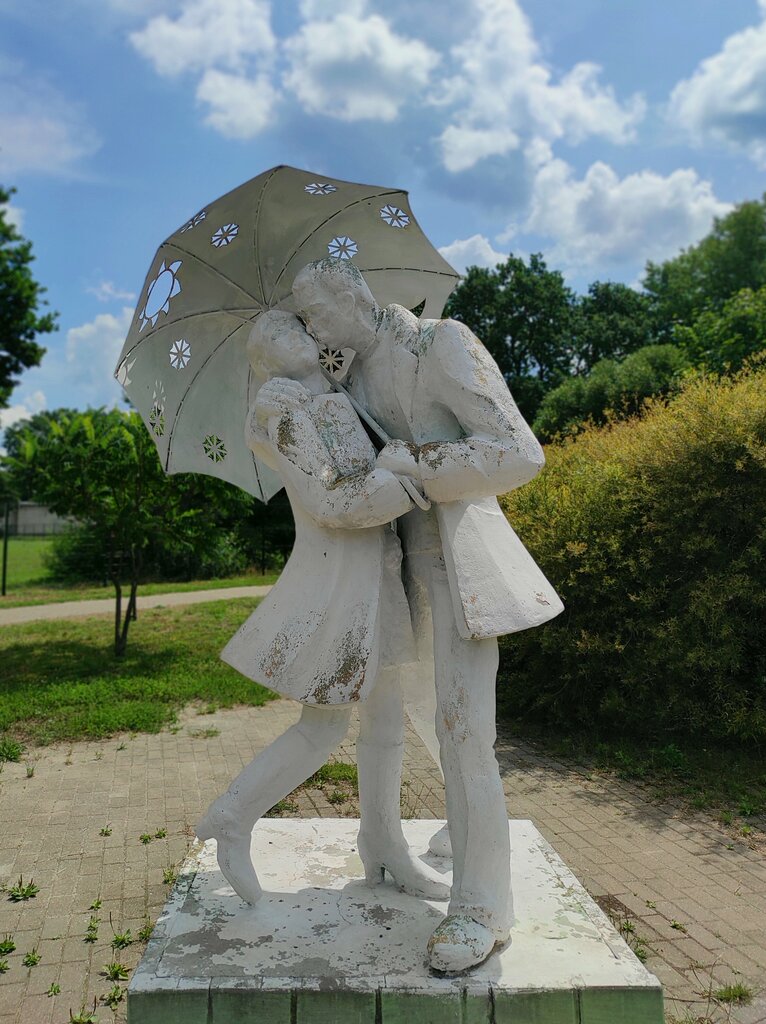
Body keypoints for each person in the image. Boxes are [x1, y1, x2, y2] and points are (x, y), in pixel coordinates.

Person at [293, 258, 564, 973]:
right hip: (389, 575)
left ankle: (481, 907)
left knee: (465, 730)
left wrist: (412, 460)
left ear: (354, 296)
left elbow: (518, 451)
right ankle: (384, 848)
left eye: (318, 314)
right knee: (392, 720)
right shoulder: (344, 375)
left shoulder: (441, 343)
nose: (314, 329)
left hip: (460, 568)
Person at [196, 310, 449, 906]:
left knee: (387, 720)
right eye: (278, 334)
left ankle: (384, 841)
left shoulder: (337, 394)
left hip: (379, 581)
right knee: (323, 724)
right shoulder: (282, 411)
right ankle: (233, 816)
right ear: (263, 362)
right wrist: (408, 480)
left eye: (299, 325)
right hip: (336, 587)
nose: (300, 334)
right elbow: (329, 500)